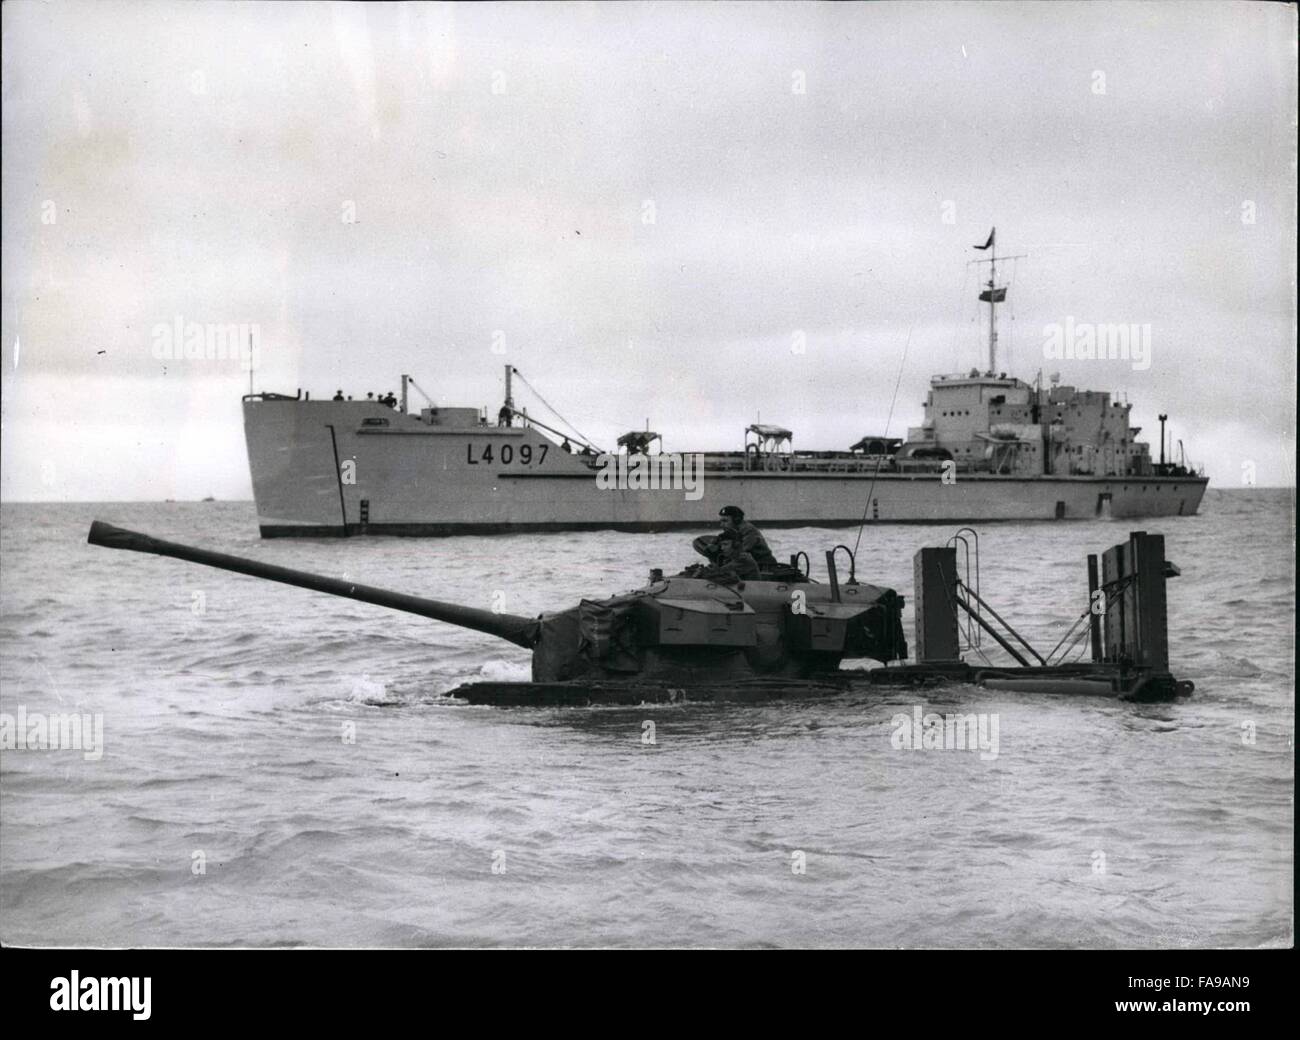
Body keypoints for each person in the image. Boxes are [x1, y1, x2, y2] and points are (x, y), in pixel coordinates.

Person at [692, 506, 777, 574]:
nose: (721, 525)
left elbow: (740, 551)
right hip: (743, 564)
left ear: (736, 520)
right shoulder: (731, 532)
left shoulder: (748, 531)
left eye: (725, 521)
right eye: (721, 521)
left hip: (764, 566)